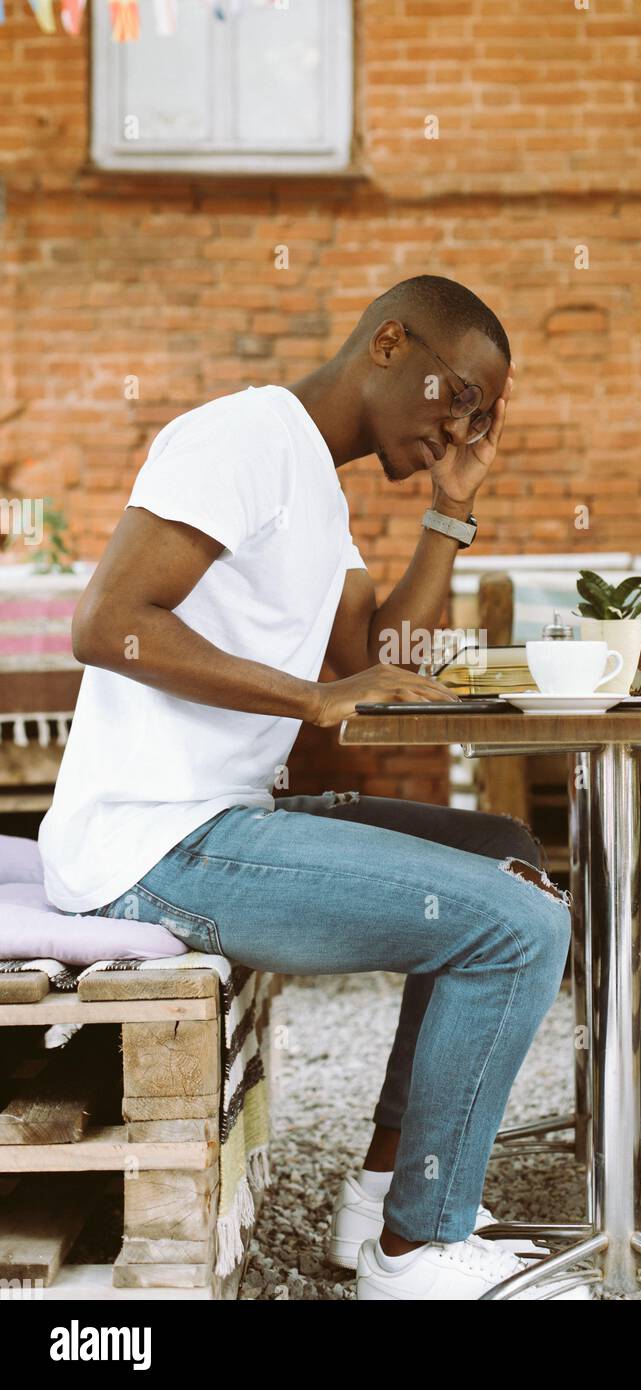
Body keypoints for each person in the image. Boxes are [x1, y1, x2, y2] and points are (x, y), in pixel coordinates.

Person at [39, 274, 573, 1300]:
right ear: (387, 346)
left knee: (506, 847)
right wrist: (312, 698)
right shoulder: (241, 439)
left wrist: (450, 511)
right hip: (153, 844)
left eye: (483, 410)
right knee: (517, 925)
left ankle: (385, 1191)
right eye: (455, 392)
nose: (464, 420)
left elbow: (383, 653)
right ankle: (419, 1253)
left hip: (226, 818)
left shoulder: (314, 485)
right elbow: (108, 623)